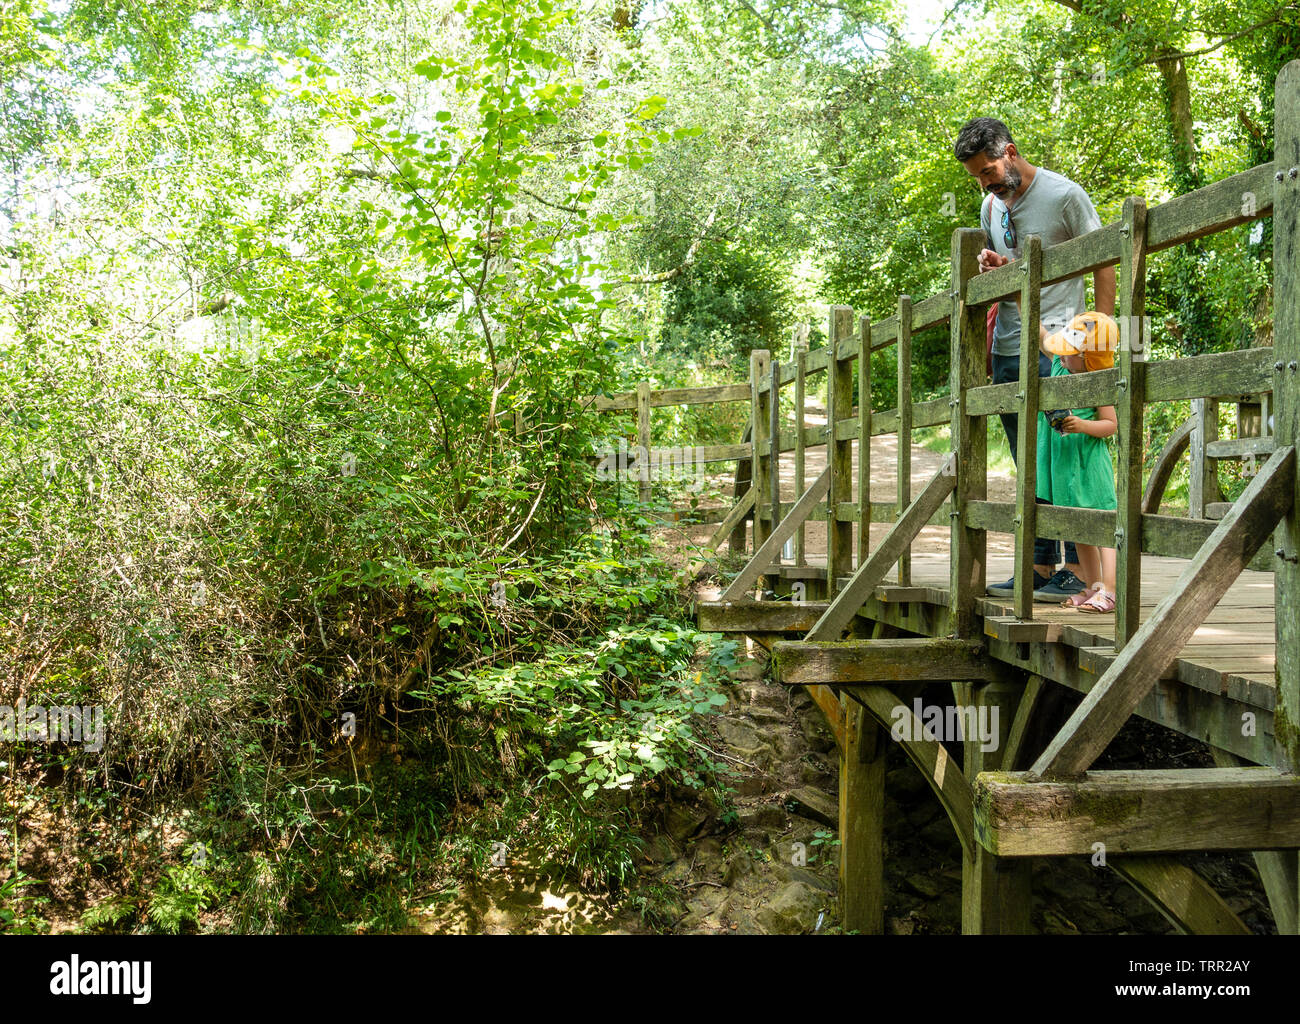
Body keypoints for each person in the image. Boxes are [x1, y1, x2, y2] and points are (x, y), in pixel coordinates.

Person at [953, 117, 1116, 600]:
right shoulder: (990, 206)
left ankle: (1081, 570)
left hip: (1061, 345)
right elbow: (1005, 263)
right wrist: (995, 265)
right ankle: (1043, 567)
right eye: (978, 178)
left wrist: (1098, 334)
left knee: (1064, 451)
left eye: (988, 171)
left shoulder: (1064, 195)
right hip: (1008, 343)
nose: (985, 183)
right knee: (1032, 460)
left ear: (1010, 151)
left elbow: (1105, 259)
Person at [1037, 313, 1118, 612]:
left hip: (1089, 465)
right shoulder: (1060, 367)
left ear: (1088, 358)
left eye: (1070, 354)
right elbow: (1042, 336)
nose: (1062, 356)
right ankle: (1093, 587)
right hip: (1065, 466)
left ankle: (1110, 590)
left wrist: (1082, 426)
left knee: (1102, 527)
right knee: (1079, 528)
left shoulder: (1097, 382)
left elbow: (1111, 425)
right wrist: (1021, 300)